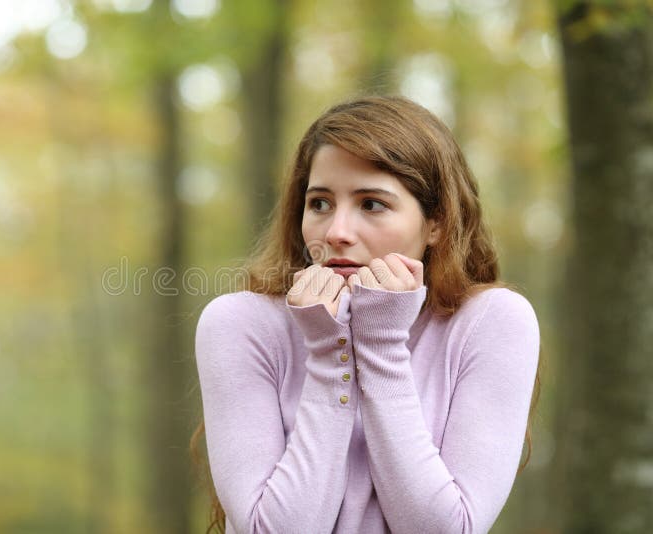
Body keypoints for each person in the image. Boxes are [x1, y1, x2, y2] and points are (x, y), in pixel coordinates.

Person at [192, 95, 541, 534]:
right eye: (319, 203)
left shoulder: (492, 323)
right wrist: (327, 351)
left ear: (435, 222)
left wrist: (380, 345)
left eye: (371, 204)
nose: (337, 232)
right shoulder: (241, 324)